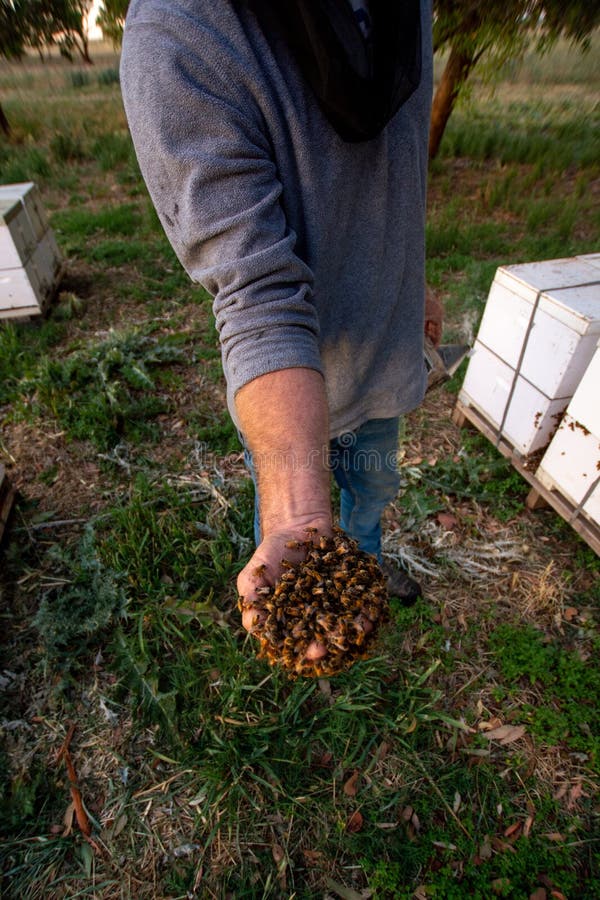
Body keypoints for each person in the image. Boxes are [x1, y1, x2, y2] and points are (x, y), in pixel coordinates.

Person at [120, 0, 436, 663]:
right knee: (307, 509)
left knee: (372, 491)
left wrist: (417, 278)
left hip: (388, 366)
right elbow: (256, 291)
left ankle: (367, 559)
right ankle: (310, 537)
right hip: (290, 395)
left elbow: (397, 173)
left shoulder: (412, 8)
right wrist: (295, 516)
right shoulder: (180, 33)